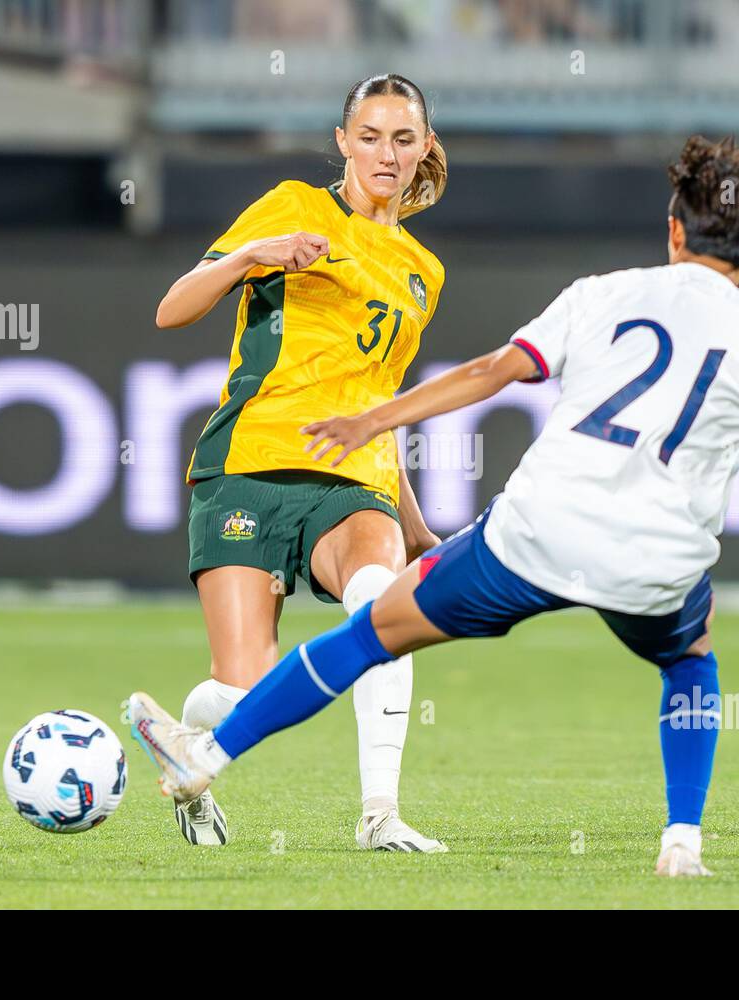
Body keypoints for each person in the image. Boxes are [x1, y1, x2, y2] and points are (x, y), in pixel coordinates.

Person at [130, 135, 739, 874]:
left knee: (369, 633)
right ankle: (682, 839)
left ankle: (209, 755)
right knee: (690, 658)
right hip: (656, 559)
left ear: (671, 230)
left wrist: (373, 418)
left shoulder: (603, 293)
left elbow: (489, 372)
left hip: (533, 535)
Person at [151, 73, 449, 852]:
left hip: (354, 480)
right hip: (249, 461)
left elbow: (379, 403)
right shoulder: (294, 205)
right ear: (344, 141)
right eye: (373, 136)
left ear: (425, 150)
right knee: (248, 690)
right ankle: (188, 741)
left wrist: (416, 526)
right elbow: (173, 307)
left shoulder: (423, 272)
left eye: (404, 138)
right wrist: (256, 253)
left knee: (384, 608)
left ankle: (380, 815)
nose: (388, 154)